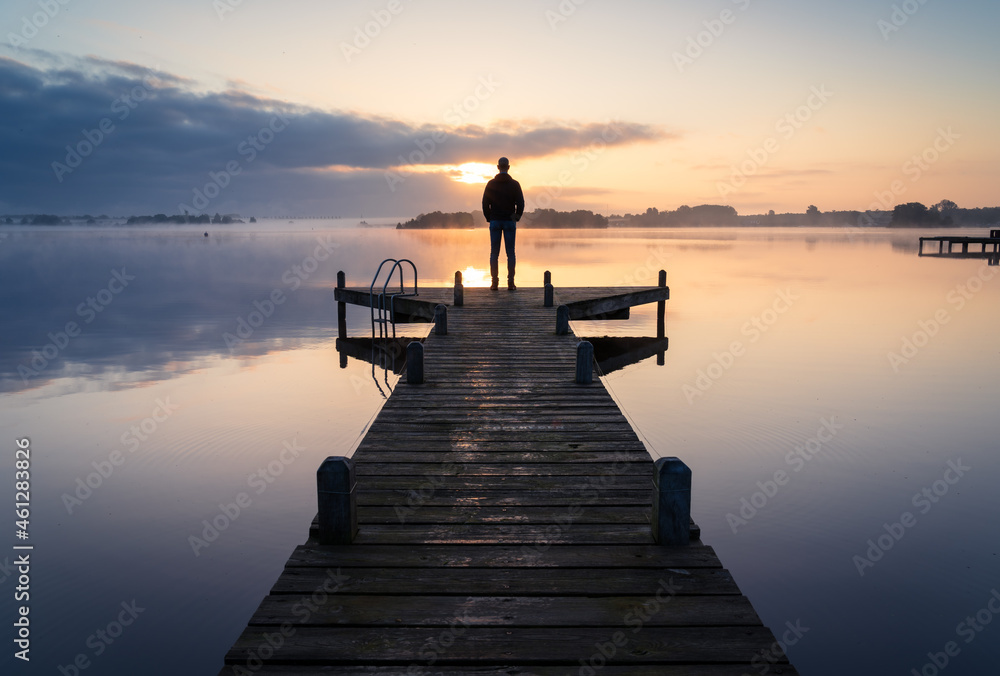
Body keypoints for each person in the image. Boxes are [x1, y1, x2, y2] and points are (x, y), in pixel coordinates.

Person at [482, 156, 524, 290]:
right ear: (508, 167)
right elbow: (521, 204)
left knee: (494, 253)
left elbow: (485, 203)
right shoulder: (515, 184)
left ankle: (494, 283)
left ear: (498, 167)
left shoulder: (491, 184)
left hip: (495, 220)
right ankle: (510, 283)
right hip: (509, 221)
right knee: (510, 253)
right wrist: (516, 218)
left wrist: (489, 218)